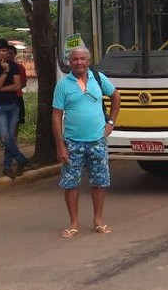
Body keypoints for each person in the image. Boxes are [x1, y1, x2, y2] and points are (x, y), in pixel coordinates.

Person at [52, 45, 121, 238]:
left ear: (88, 61)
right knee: (71, 183)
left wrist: (111, 123)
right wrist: (60, 146)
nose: (79, 62)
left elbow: (116, 97)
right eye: (75, 59)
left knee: (99, 181)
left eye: (82, 59)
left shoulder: (98, 78)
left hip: (97, 140)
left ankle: (98, 220)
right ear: (70, 62)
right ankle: (74, 222)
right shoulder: (63, 85)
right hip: (72, 142)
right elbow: (56, 116)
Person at [0, 38, 28, 177]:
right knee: (5, 137)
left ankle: (7, 166)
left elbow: (17, 85)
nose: (2, 53)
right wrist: (5, 72)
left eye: (4, 51)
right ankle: (21, 159)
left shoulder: (14, 66)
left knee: (10, 137)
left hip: (13, 105)